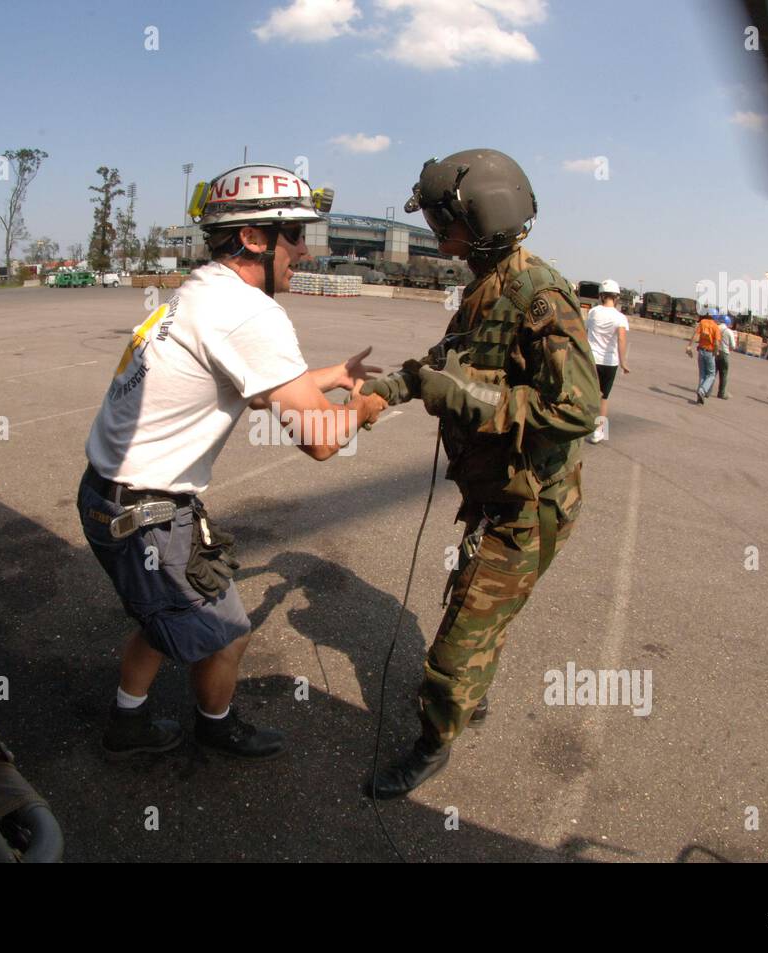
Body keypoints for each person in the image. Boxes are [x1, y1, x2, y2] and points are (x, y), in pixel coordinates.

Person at [76, 164, 389, 761]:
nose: (303, 248)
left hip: (109, 495)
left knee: (160, 618)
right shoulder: (250, 312)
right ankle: (216, 727)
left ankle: (127, 719)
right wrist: (372, 405)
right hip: (148, 514)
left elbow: (255, 380)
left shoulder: (201, 293)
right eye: (293, 233)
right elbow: (321, 437)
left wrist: (332, 377)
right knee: (227, 634)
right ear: (253, 239)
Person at [359, 149, 598, 797]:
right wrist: (381, 392)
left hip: (528, 508)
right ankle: (470, 688)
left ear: (481, 215)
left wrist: (464, 395)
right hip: (497, 495)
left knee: (450, 651)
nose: (438, 234)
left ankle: (434, 739)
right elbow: (440, 365)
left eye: (442, 221)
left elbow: (578, 409)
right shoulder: (485, 287)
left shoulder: (539, 297)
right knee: (472, 608)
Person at [584, 279, 630, 443]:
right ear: (616, 297)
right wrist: (623, 362)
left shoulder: (593, 312)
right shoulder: (620, 317)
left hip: (591, 358)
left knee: (587, 392)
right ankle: (598, 431)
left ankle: (579, 424)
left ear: (601, 296)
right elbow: (622, 339)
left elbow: (586, 332)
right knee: (603, 397)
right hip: (610, 362)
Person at [686, 309, 722, 404]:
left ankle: (699, 397)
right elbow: (717, 343)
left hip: (701, 351)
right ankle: (702, 391)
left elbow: (695, 335)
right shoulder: (715, 327)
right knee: (711, 374)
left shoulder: (702, 322)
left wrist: (689, 346)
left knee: (702, 374)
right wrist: (715, 352)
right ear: (715, 317)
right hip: (710, 352)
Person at [715, 314, 736, 399]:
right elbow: (733, 346)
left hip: (715, 352)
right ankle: (721, 393)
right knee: (723, 374)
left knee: (712, 373)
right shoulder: (729, 331)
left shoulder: (716, 328)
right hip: (724, 354)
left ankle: (706, 390)